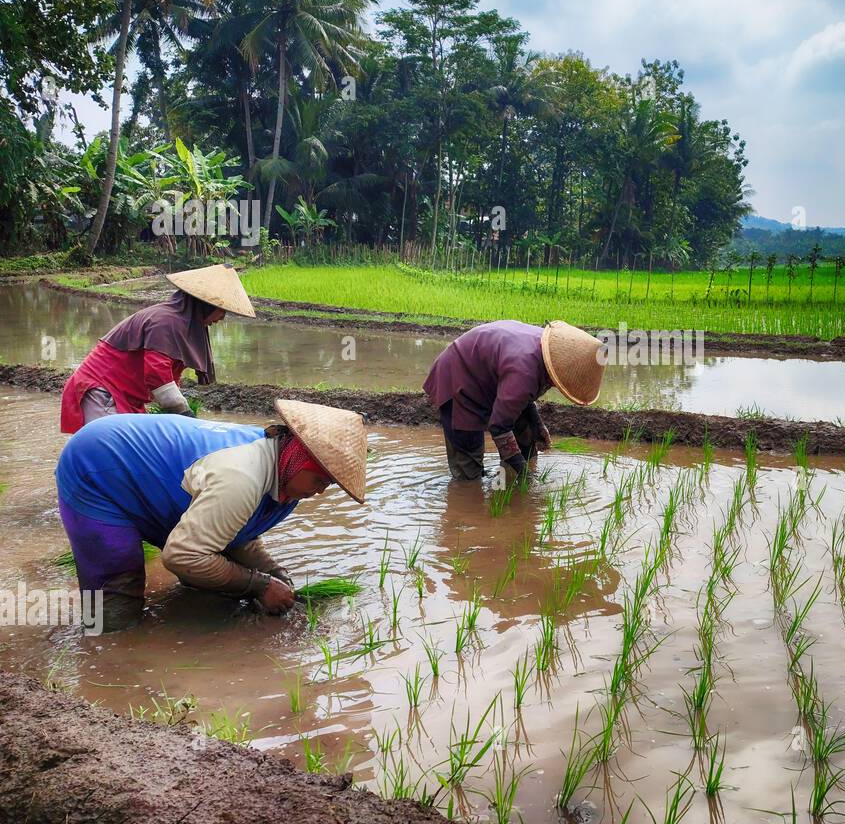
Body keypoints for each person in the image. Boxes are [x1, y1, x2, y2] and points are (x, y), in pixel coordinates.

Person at [54, 398, 367, 631]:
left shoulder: (284, 474)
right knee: (116, 601)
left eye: (329, 485)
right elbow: (182, 557)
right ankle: (99, 672)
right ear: (299, 460)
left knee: (208, 585)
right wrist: (260, 585)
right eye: (319, 480)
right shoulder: (242, 477)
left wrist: (272, 572)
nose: (321, 491)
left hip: (140, 465)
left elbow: (234, 531)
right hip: (99, 466)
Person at [59, 263, 255, 433]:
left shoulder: (182, 324)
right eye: (222, 310)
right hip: (103, 390)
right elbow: (156, 375)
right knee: (109, 453)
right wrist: (184, 414)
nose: (221, 318)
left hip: (127, 395)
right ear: (205, 305)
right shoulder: (166, 322)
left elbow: (169, 376)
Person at [423, 320, 605, 482]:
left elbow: (522, 397)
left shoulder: (543, 350)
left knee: (526, 429)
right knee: (469, 468)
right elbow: (499, 426)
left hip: (487, 379)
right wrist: (524, 475)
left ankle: (508, 480)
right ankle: (467, 508)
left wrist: (538, 425)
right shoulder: (525, 370)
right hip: (457, 383)